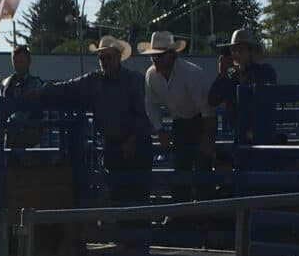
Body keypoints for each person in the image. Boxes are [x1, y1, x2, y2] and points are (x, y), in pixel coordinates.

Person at [40, 35, 151, 210]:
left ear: (118, 57)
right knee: (119, 192)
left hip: (134, 144)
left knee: (136, 192)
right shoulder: (96, 80)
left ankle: (135, 231)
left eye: (109, 58)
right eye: (102, 58)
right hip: (113, 144)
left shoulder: (131, 80)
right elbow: (68, 87)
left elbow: (144, 114)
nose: (105, 61)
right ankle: (128, 232)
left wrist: (133, 139)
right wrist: (43, 90)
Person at [139, 30, 215, 198]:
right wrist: (160, 130)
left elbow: (207, 109)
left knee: (201, 168)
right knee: (181, 170)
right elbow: (150, 104)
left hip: (200, 121)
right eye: (154, 56)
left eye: (160, 55)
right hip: (181, 121)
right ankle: (184, 213)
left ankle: (203, 213)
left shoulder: (191, 74)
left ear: (172, 54)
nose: (156, 59)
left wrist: (207, 138)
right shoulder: (151, 75)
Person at [0, 43, 46, 150]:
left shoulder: (36, 84)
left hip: (31, 131)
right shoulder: (5, 84)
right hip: (10, 132)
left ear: (29, 62)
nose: (18, 65)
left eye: (22, 61)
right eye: (15, 61)